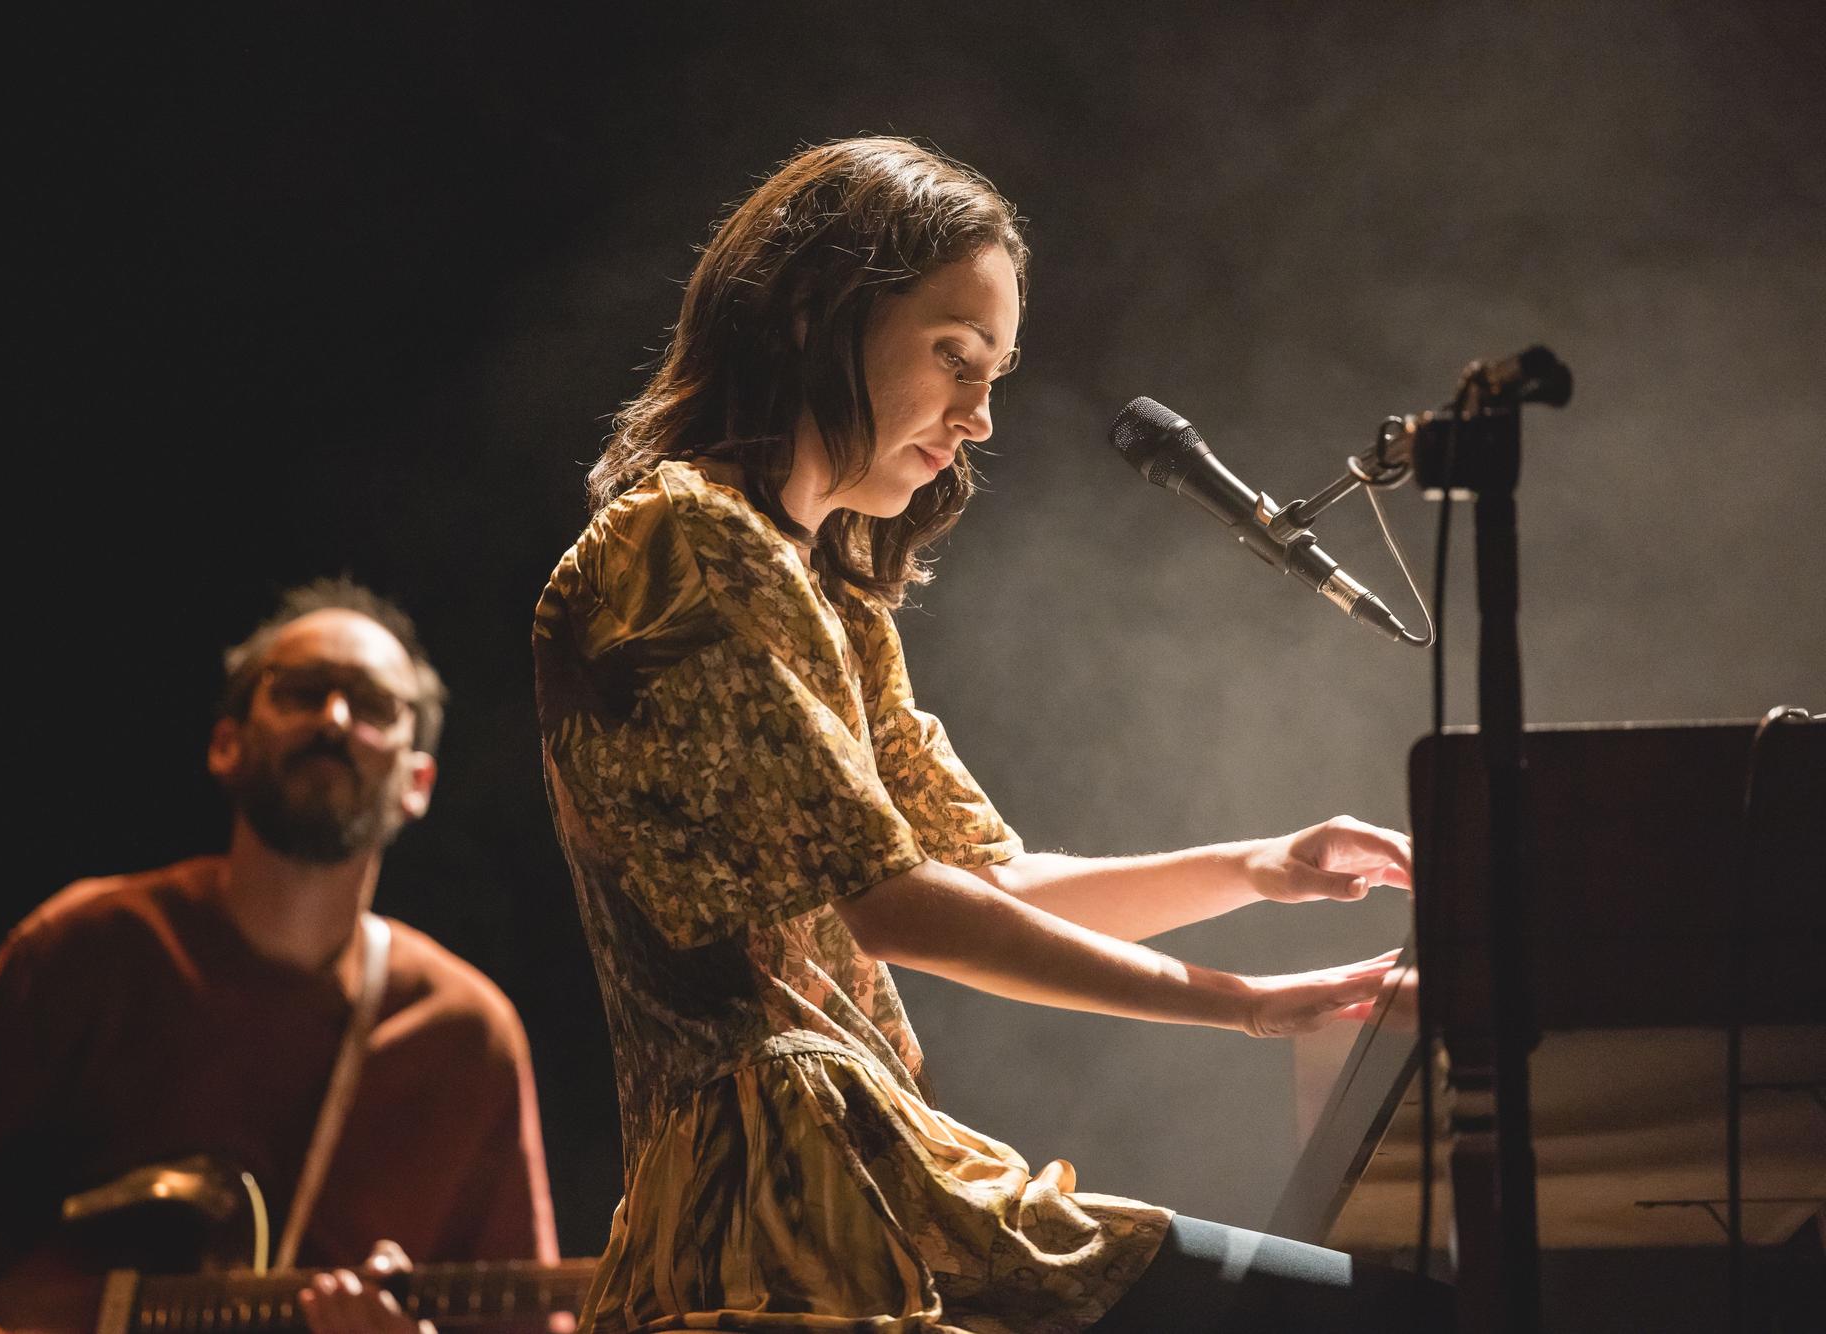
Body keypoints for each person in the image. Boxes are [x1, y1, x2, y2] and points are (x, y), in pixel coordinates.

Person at [533, 138, 1451, 1332]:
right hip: (788, 1211)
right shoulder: (690, 538)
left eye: (995, 373)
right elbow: (898, 904)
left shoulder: (827, 595)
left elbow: (980, 878)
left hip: (854, 1186)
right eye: (952, 357)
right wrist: (1241, 1002)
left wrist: (1253, 868)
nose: (975, 417)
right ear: (816, 314)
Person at [0, 579, 558, 1334]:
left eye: (372, 705)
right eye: (302, 692)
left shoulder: (469, 1039)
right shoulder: (93, 944)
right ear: (226, 743)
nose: (335, 720)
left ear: (418, 783)